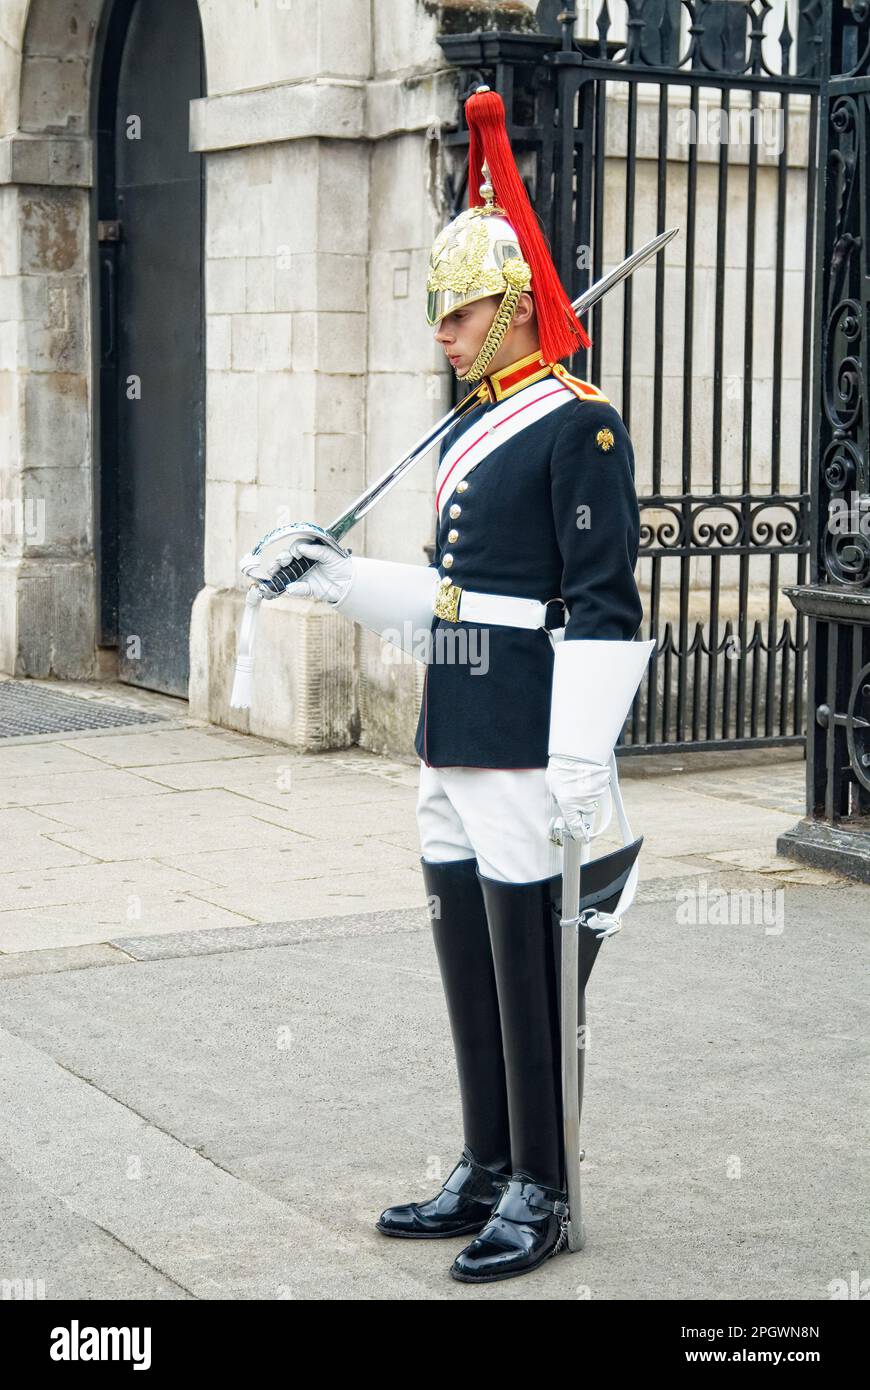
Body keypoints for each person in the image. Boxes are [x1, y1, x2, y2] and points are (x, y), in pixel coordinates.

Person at [267, 88, 647, 1283]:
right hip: (456, 721)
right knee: (465, 948)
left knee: (530, 960)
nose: (444, 326)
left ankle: (543, 1179)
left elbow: (602, 604)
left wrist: (583, 754)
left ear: (516, 305)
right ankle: (486, 1159)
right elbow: (448, 595)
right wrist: (329, 578)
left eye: (464, 307)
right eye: (437, 310)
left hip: (530, 733)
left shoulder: (576, 426)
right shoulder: (471, 427)